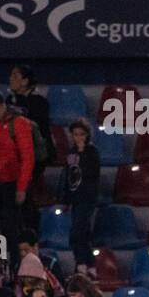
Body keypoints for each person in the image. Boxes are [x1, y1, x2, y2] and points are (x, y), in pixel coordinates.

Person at [0, 89, 34, 245]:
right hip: (0, 185)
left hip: (13, 185)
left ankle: (15, 264)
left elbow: (27, 158)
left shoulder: (18, 123)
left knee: (13, 231)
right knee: (1, 230)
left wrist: (22, 188)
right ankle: (5, 263)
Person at [62, 119, 100, 279]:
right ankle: (89, 264)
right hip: (75, 197)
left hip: (87, 196)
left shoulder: (92, 152)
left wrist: (83, 155)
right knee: (80, 231)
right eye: (75, 134)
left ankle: (82, 263)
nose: (78, 138)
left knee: (78, 231)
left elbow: (93, 173)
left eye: (81, 134)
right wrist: (66, 200)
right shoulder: (71, 153)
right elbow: (68, 176)